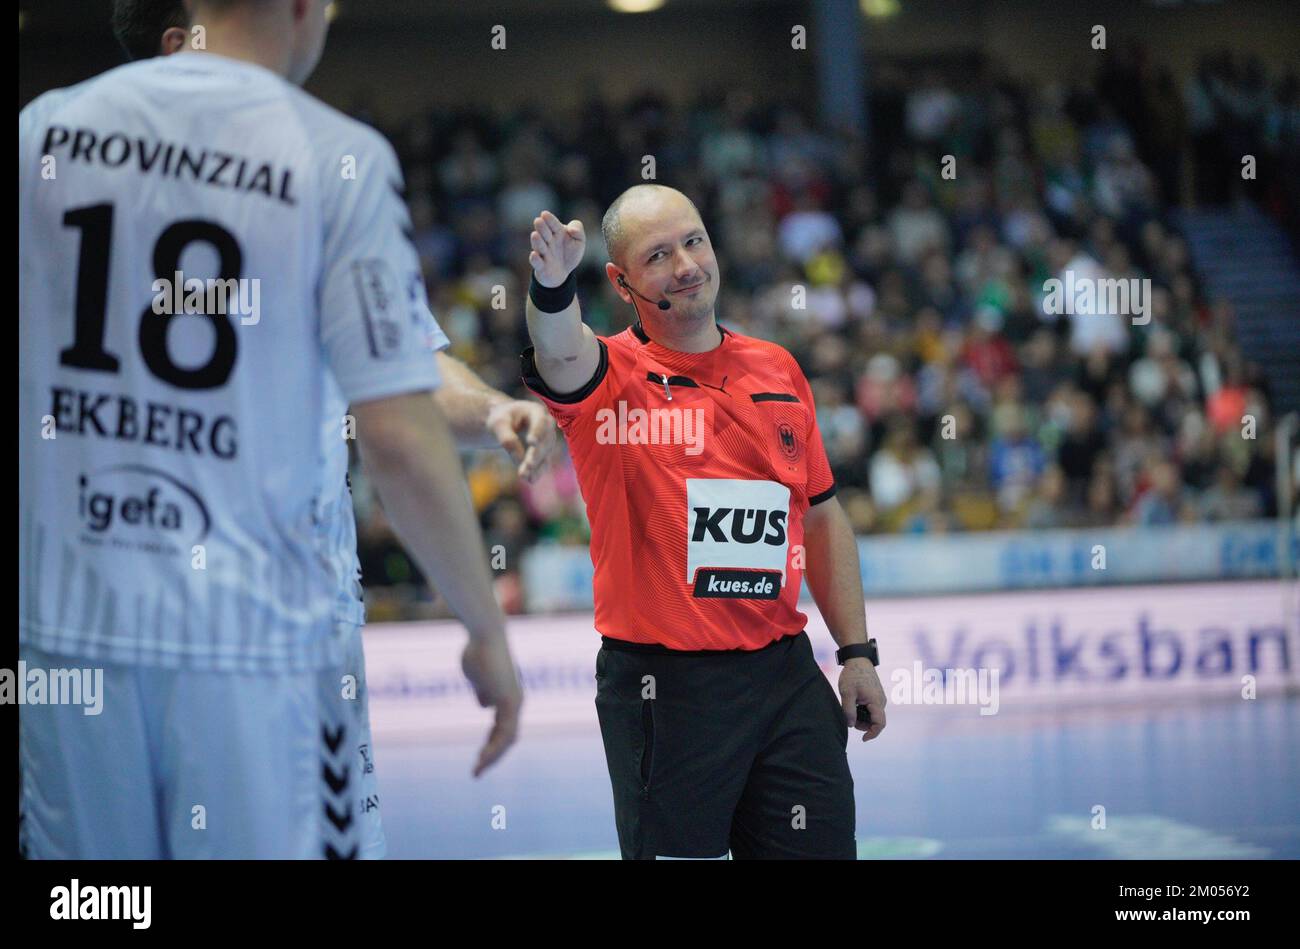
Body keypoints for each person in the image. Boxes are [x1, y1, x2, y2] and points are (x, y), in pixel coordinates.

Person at [19, 0, 522, 859]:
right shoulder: (336, 159)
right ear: (300, 8)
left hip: (67, 623)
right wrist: (483, 626)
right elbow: (396, 435)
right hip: (255, 634)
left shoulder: (43, 130)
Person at [520, 185, 887, 859]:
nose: (686, 264)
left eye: (694, 241)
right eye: (658, 255)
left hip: (784, 680)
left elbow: (824, 515)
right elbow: (558, 349)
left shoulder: (777, 368)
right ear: (622, 282)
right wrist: (550, 285)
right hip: (665, 692)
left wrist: (857, 652)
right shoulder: (607, 378)